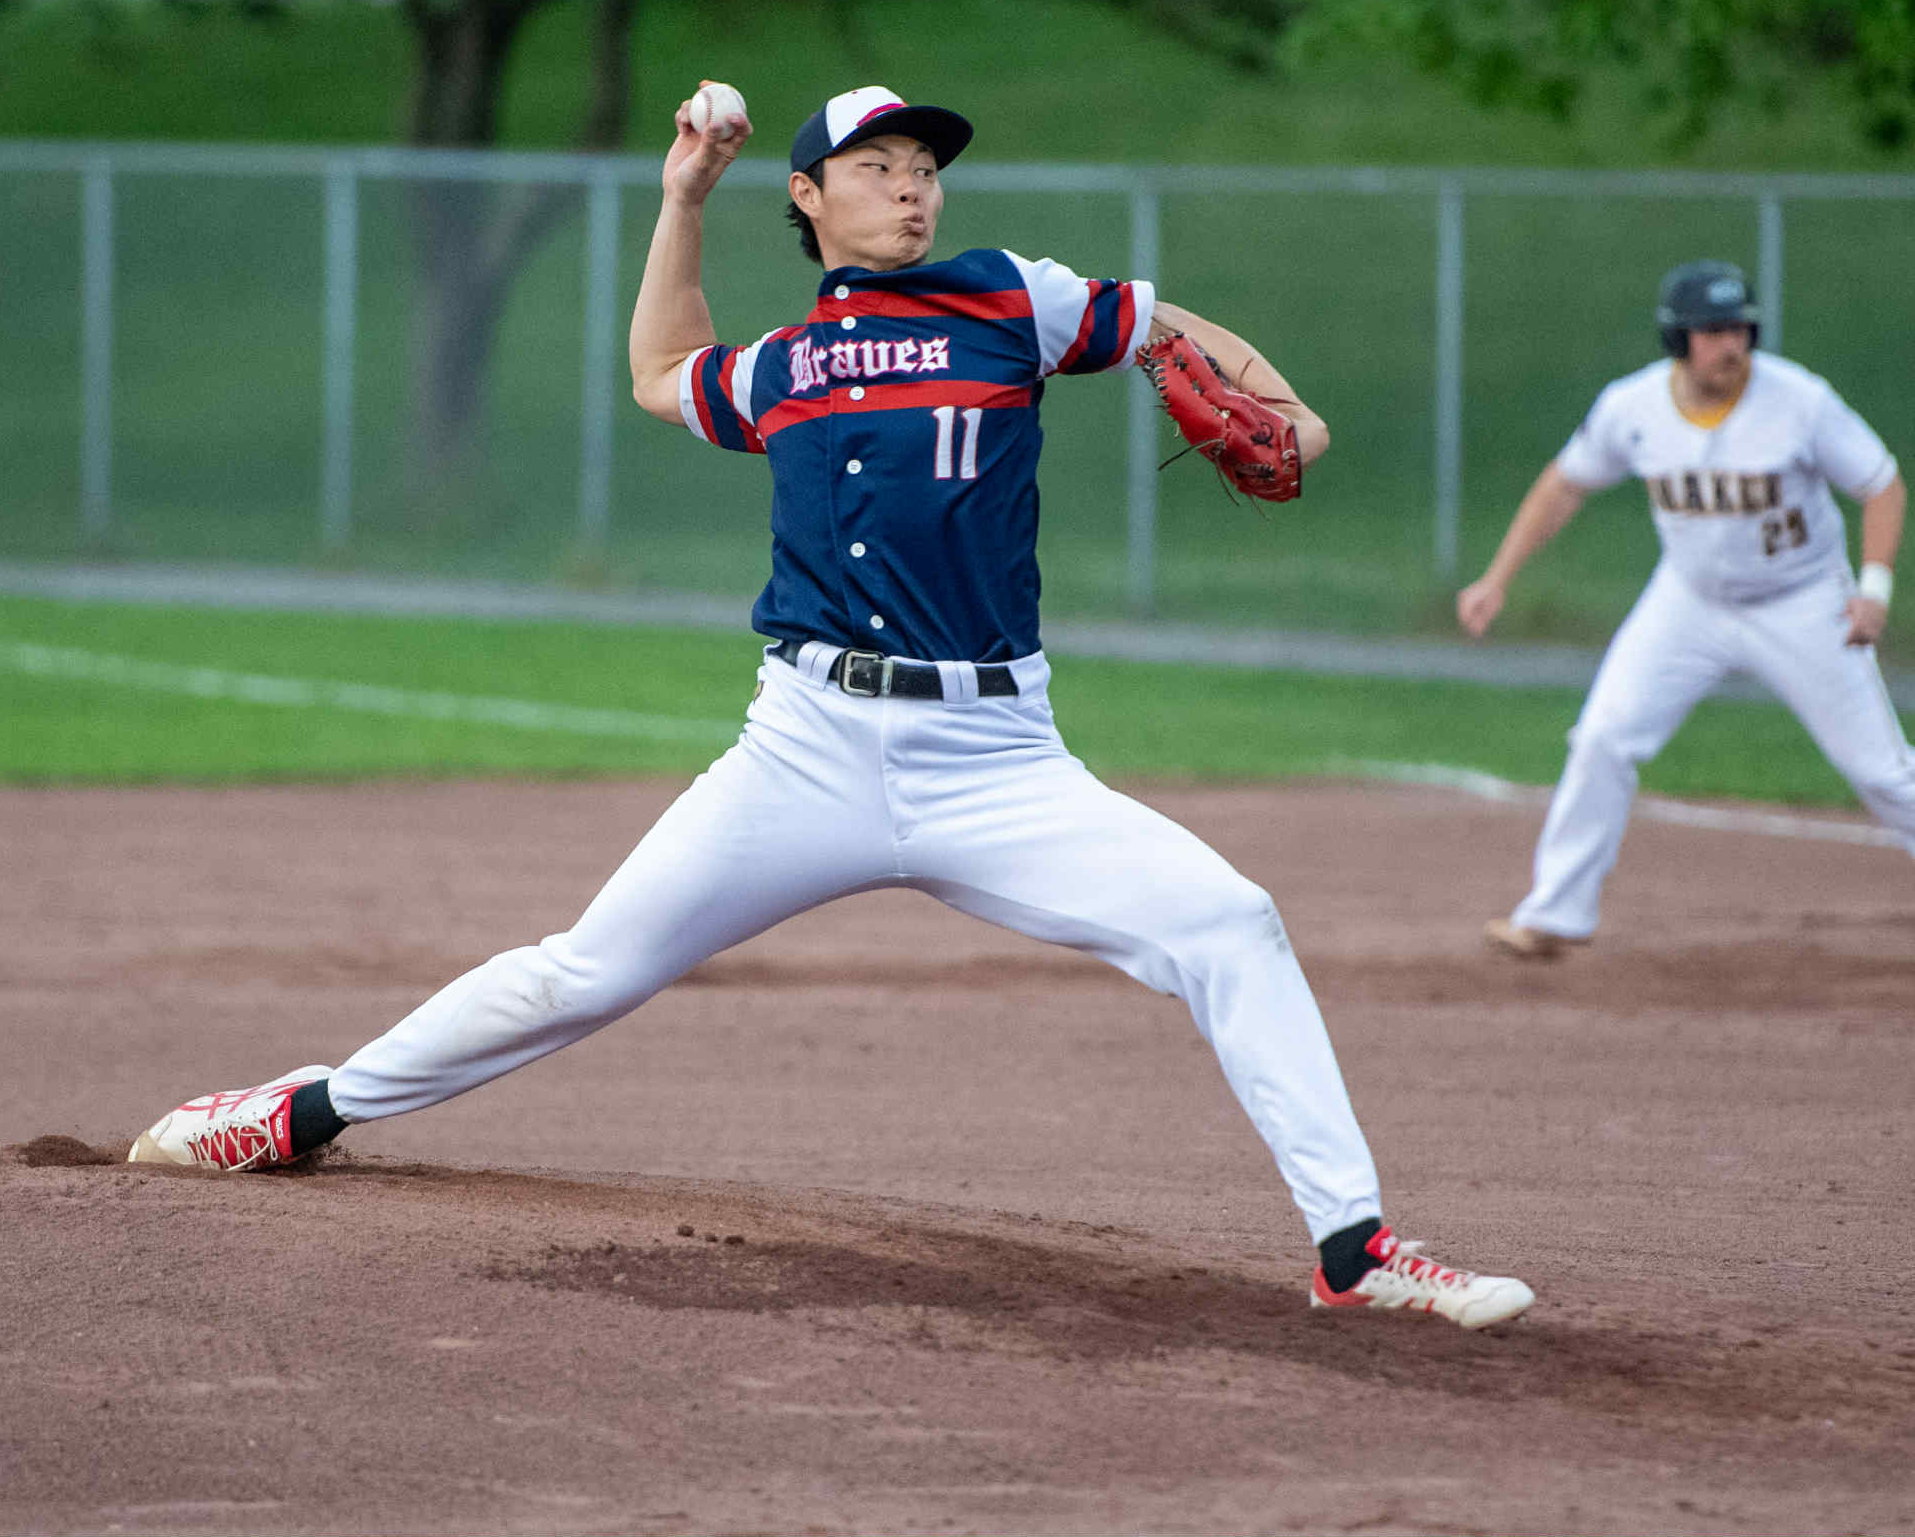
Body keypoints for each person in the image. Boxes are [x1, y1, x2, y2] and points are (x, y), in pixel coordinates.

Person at [128, 83, 1535, 1330]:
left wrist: (1280, 401)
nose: (912, 181)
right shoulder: (787, 366)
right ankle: (299, 1111)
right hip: (803, 750)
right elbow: (657, 373)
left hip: (998, 758)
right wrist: (683, 199)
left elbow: (1166, 326)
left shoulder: (1013, 296)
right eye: (876, 163)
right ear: (807, 197)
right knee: (586, 970)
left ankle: (1356, 1251)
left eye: (924, 162)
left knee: (1229, 919)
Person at [1459, 260, 1914, 959]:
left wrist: (1873, 589)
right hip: (1690, 601)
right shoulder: (1633, 408)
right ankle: (1554, 914)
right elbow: (1565, 484)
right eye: (1712, 331)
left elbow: (1881, 484)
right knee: (1604, 737)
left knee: (1882, 772)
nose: (1731, 344)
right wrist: (1498, 577)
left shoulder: (1801, 401)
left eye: (1739, 328)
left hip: (1802, 599)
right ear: (1678, 340)